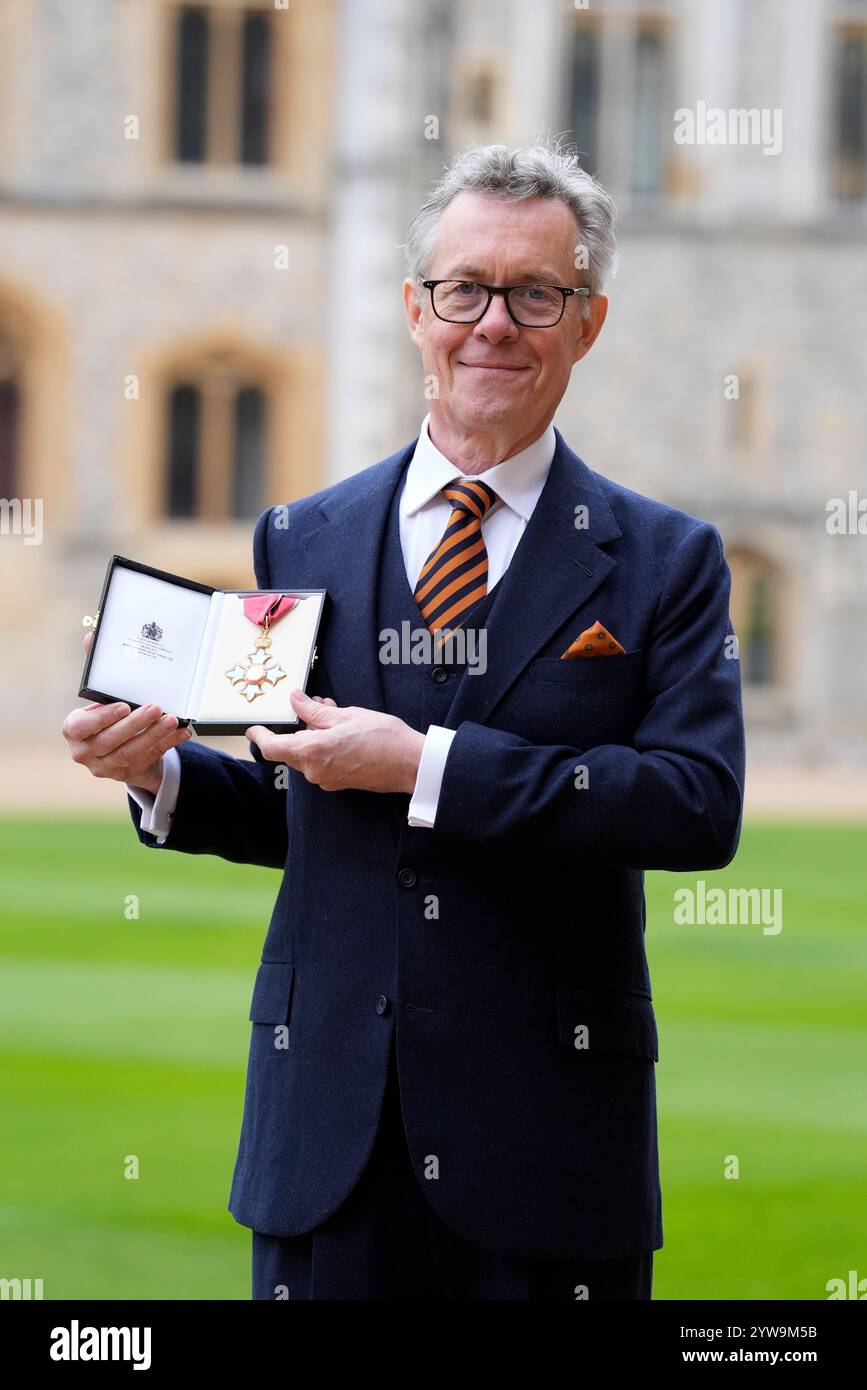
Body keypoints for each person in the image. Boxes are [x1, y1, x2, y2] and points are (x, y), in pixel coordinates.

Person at [62, 141, 746, 1301]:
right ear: (415, 309)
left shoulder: (670, 560)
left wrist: (426, 763)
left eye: (537, 293)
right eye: (464, 288)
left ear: (588, 321)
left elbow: (694, 804)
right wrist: (162, 775)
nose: (495, 322)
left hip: (550, 1147)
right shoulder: (304, 533)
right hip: (326, 1131)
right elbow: (307, 800)